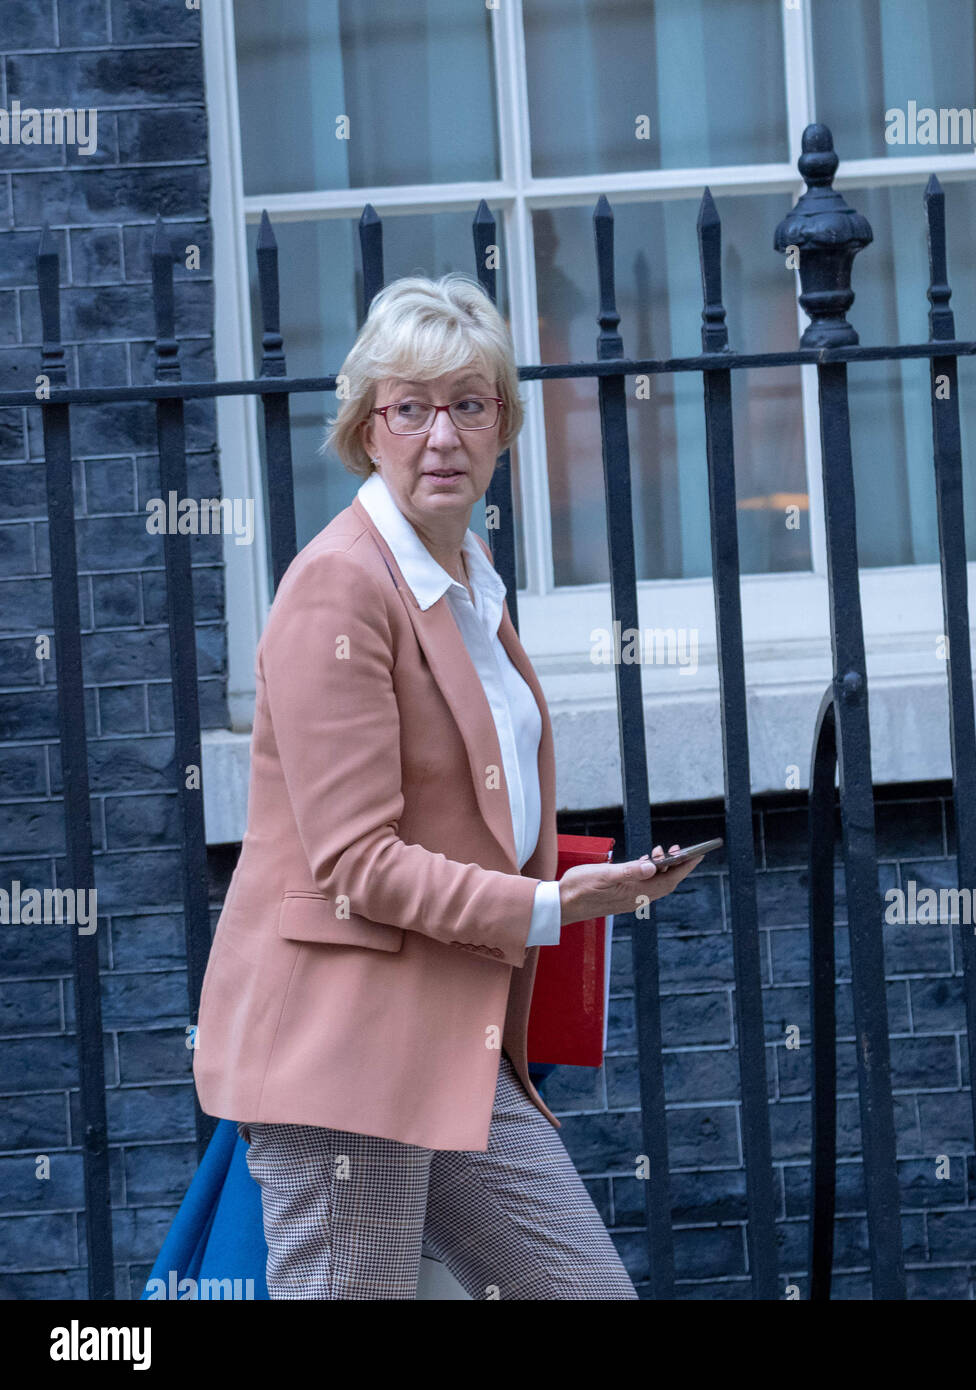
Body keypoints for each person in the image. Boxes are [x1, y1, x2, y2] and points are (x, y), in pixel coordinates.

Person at [192, 273, 704, 1299]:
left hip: (453, 1045)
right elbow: (357, 862)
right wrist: (553, 905)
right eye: (410, 407)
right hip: (343, 1053)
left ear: (503, 426)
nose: (441, 436)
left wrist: (565, 880)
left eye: (468, 405)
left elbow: (467, 797)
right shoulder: (340, 584)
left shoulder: (466, 573)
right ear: (365, 428)